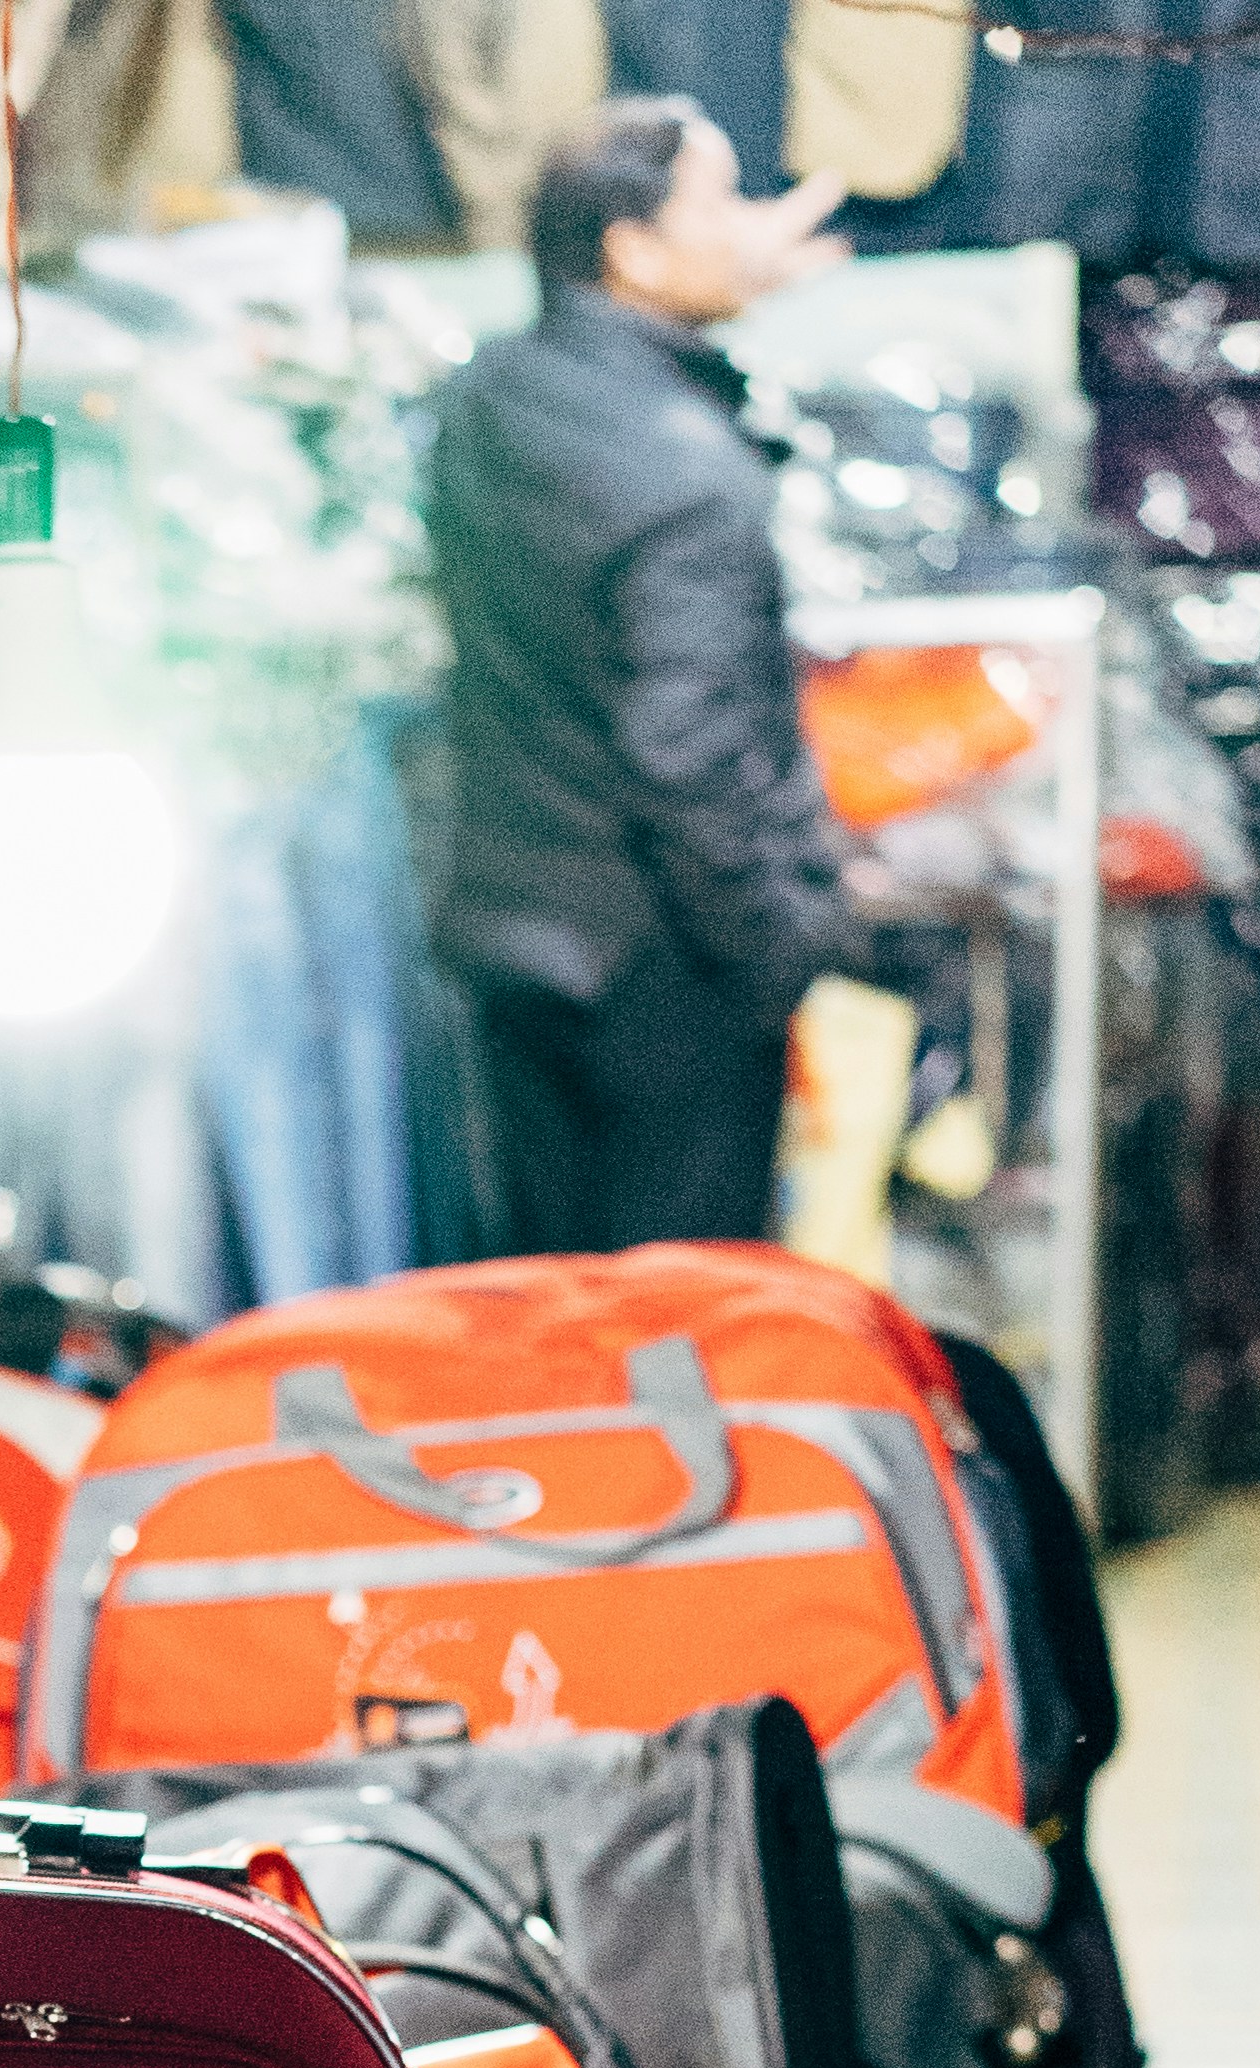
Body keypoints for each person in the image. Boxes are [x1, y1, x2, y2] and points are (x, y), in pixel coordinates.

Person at [425, 93, 868, 1250]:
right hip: (660, 966)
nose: (750, 224)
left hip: (518, 931)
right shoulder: (686, 475)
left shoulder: (489, 400)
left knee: (554, 1309)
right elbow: (690, 752)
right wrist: (782, 946)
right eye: (721, 201)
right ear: (631, 249)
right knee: (673, 1325)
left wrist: (727, 282)